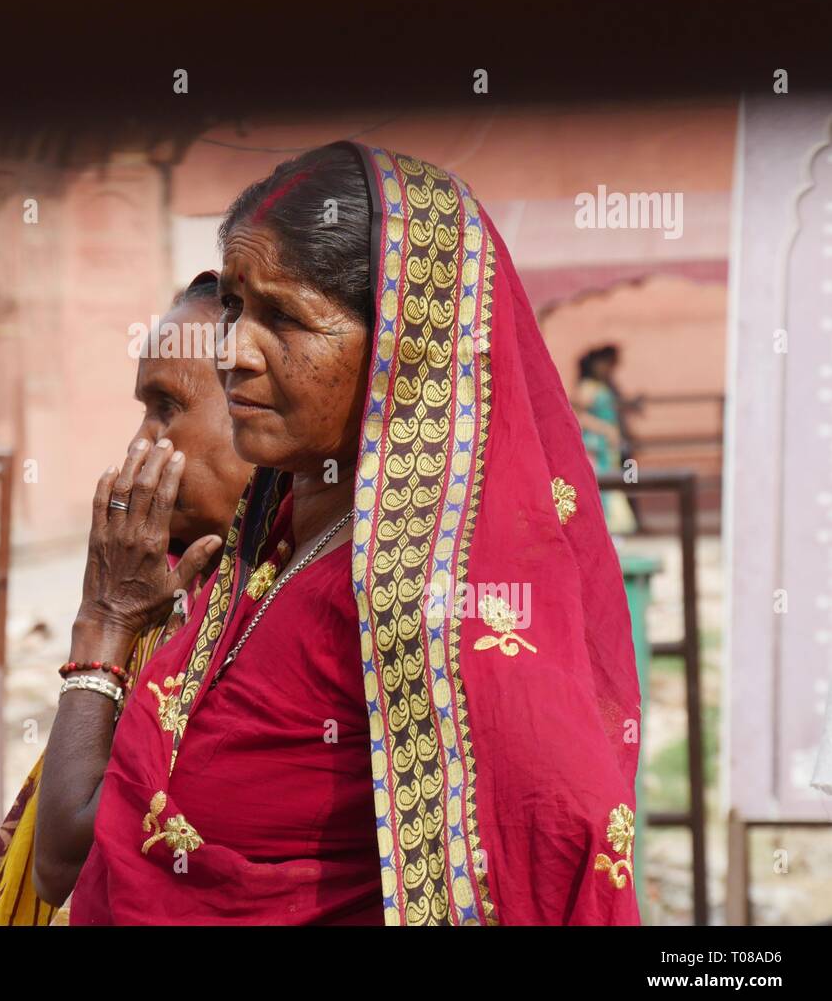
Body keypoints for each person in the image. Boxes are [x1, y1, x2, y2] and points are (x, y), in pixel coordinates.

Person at [66, 141, 643, 925]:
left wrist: (101, 626)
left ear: (406, 350)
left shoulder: (432, 607)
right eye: (234, 307)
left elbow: (550, 839)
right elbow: (100, 837)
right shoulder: (261, 551)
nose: (231, 351)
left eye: (283, 318)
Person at [0, 272, 252, 924]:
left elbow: (63, 862)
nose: (140, 444)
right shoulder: (180, 591)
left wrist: (103, 621)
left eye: (167, 406)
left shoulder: (274, 613)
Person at [573, 345, 639, 536]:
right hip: (596, 447)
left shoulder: (604, 385)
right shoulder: (587, 388)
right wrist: (606, 430)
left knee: (619, 482)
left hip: (608, 448)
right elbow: (578, 415)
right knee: (603, 488)